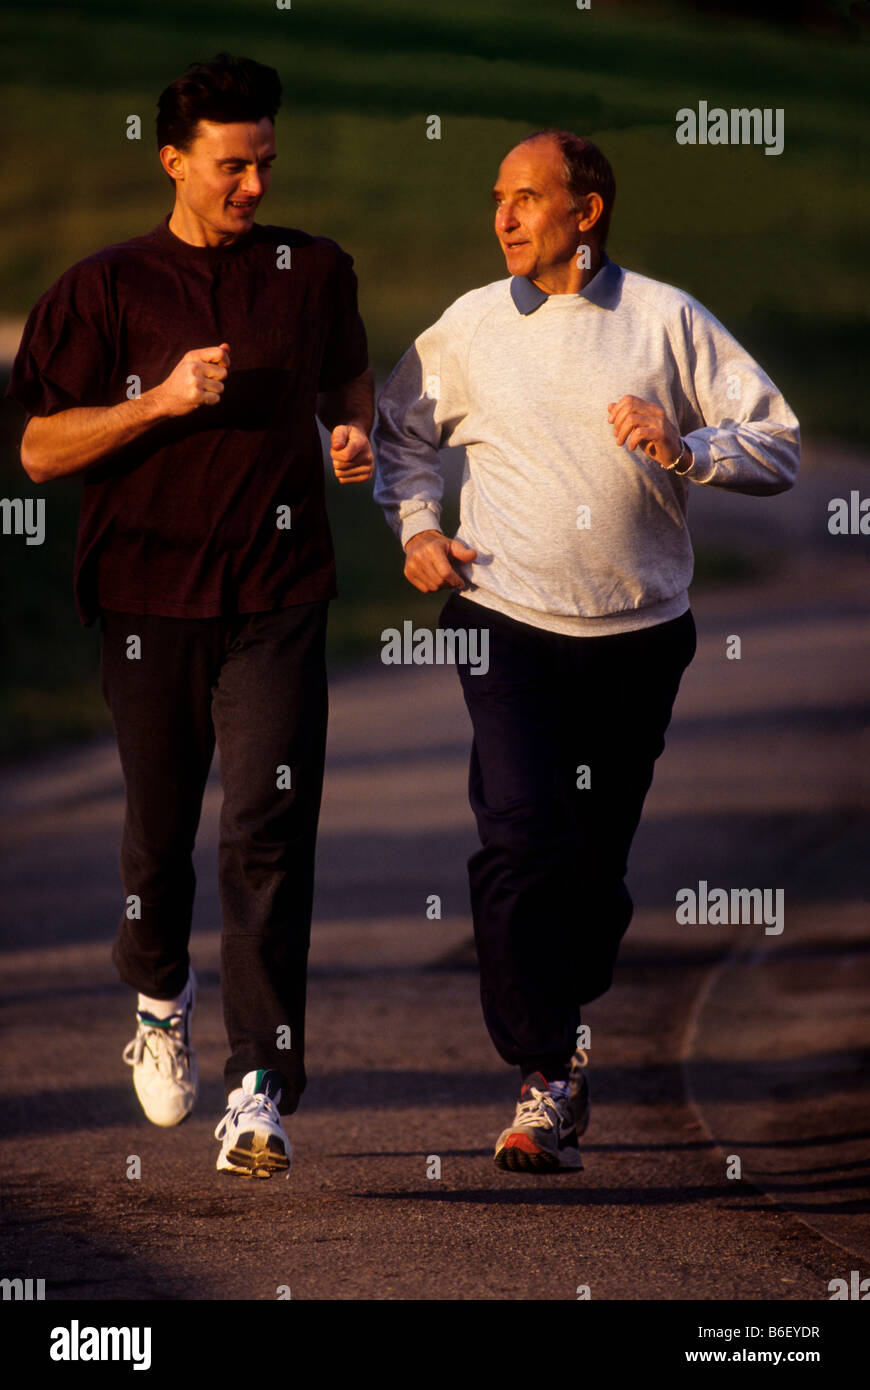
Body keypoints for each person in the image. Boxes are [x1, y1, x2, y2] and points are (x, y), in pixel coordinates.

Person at [374, 129, 799, 1173]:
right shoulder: (471, 324)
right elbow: (400, 433)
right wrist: (419, 529)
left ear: (587, 209)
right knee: (523, 837)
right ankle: (543, 1076)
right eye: (497, 198)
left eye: (526, 197)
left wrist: (689, 445)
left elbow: (779, 444)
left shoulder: (665, 318)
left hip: (640, 636)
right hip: (504, 619)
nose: (504, 216)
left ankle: (562, 1012)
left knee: (592, 866)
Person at [7, 53, 374, 1179]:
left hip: (277, 594)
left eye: (266, 161)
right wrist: (157, 399)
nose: (254, 185)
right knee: (158, 836)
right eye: (232, 165)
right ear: (174, 160)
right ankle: (158, 995)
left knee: (265, 832)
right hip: (144, 602)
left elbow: (345, 379)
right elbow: (34, 449)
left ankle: (260, 1085)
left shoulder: (313, 273)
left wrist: (349, 431)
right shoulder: (104, 288)